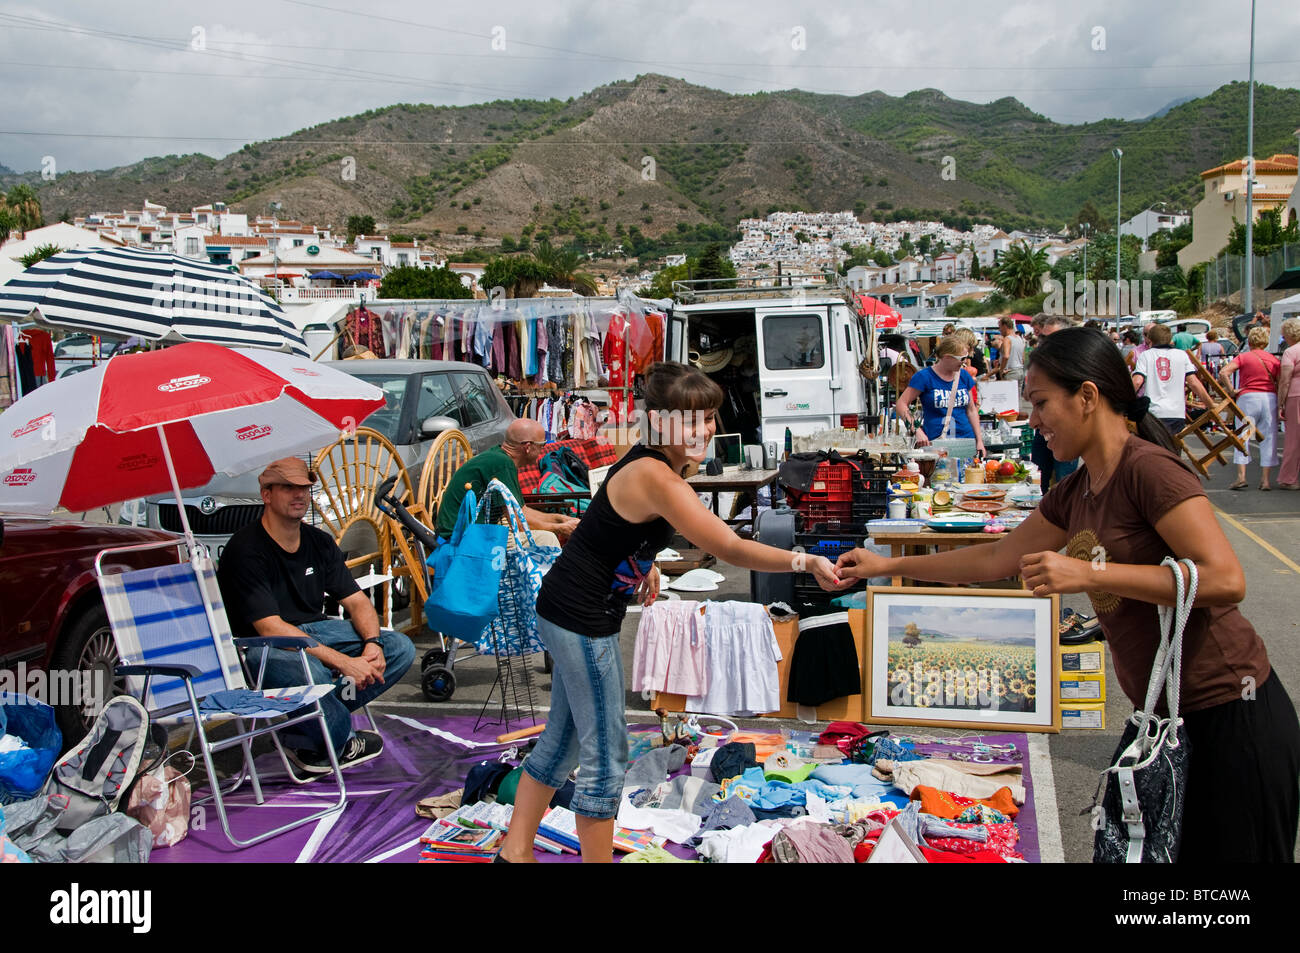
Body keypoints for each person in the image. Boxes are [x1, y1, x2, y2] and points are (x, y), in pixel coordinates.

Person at [833, 327, 1300, 863]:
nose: (1033, 420)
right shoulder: (1077, 490)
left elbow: (1224, 579)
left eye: (1040, 403)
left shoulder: (1149, 470)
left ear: (1087, 397)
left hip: (1230, 717)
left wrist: (1093, 576)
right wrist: (886, 565)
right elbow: (994, 558)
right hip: (1167, 723)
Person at [494, 363, 842, 863]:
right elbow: (728, 545)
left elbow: (610, 523)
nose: (704, 430)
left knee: (564, 741)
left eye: (709, 417)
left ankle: (514, 853)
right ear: (658, 422)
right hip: (580, 616)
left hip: (570, 606)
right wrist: (802, 559)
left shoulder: (656, 464)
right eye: (690, 419)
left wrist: (646, 560)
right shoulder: (657, 475)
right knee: (605, 758)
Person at [216, 457, 416, 774]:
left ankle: (307, 730)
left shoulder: (318, 541)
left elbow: (358, 602)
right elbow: (270, 628)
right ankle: (327, 733)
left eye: (305, 489)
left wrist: (373, 644)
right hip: (263, 646)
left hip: (315, 633)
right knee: (316, 675)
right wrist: (343, 661)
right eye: (288, 488)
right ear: (266, 495)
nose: (299, 495)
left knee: (399, 648)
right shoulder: (246, 549)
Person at [434, 418, 579, 540]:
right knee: (547, 539)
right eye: (542, 446)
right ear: (528, 447)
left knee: (545, 535)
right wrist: (558, 529)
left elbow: (523, 512)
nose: (542, 451)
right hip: (461, 539)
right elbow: (518, 523)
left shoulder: (500, 458)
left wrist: (562, 520)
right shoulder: (501, 464)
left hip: (471, 532)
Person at [894, 334, 986, 455]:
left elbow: (971, 410)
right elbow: (901, 404)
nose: (964, 362)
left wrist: (979, 441)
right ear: (947, 357)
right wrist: (916, 430)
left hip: (965, 440)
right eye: (961, 358)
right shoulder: (925, 376)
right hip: (937, 442)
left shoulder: (964, 376)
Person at [1219, 326, 1281, 491]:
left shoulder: (1244, 357)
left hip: (1247, 398)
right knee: (1269, 437)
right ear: (1265, 341)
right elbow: (1280, 381)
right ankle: (1265, 480)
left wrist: (1232, 390)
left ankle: (1241, 477)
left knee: (1243, 436)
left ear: (1250, 341)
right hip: (1269, 398)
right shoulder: (1274, 360)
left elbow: (1223, 372)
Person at [1131, 323, 1214, 437]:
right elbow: (1194, 383)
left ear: (1150, 339)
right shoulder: (1182, 355)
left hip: (1153, 412)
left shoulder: (1146, 355)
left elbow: (1137, 381)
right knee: (1172, 449)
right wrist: (1210, 404)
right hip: (1176, 413)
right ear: (1170, 339)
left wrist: (1124, 401)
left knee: (1153, 449)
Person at [1277, 318, 1300, 490]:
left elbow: (1285, 381)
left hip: (1295, 396)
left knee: (1293, 439)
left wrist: (1280, 404)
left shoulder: (1290, 352)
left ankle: (1288, 478)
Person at [996, 316, 1026, 387]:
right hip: (1020, 370)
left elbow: (1006, 356)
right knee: (1017, 396)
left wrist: (1001, 370)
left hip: (1010, 372)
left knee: (1009, 396)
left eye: (1000, 327)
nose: (999, 330)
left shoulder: (1007, 339)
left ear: (1004, 326)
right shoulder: (1019, 338)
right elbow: (1023, 358)